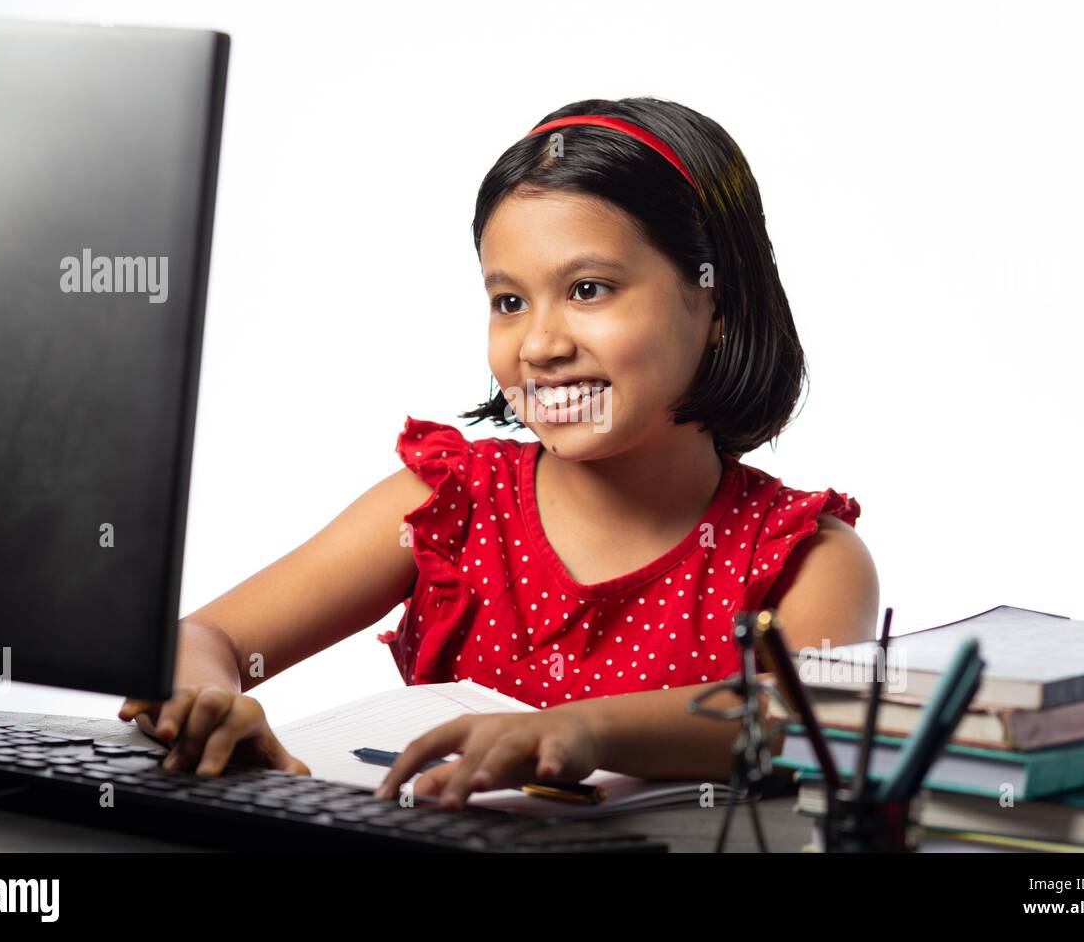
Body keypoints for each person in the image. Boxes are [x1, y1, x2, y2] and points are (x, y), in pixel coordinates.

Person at [118, 98, 879, 801]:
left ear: (717, 301)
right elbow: (204, 637)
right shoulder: (448, 504)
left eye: (588, 289)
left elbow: (798, 719)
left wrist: (579, 729)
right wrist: (206, 697)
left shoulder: (804, 558)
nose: (541, 345)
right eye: (509, 301)